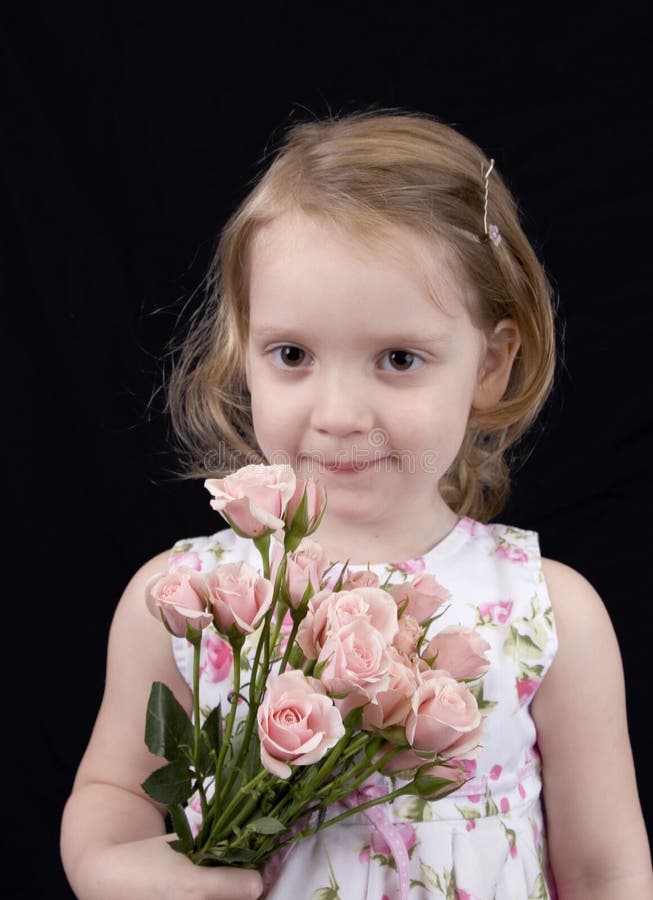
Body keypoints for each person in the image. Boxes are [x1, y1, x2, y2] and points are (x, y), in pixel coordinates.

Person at [60, 110, 653, 899]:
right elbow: (113, 793)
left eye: (398, 359)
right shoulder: (187, 603)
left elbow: (605, 870)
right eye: (292, 354)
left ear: (489, 366)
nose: (338, 413)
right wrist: (108, 865)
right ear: (244, 350)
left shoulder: (547, 612)